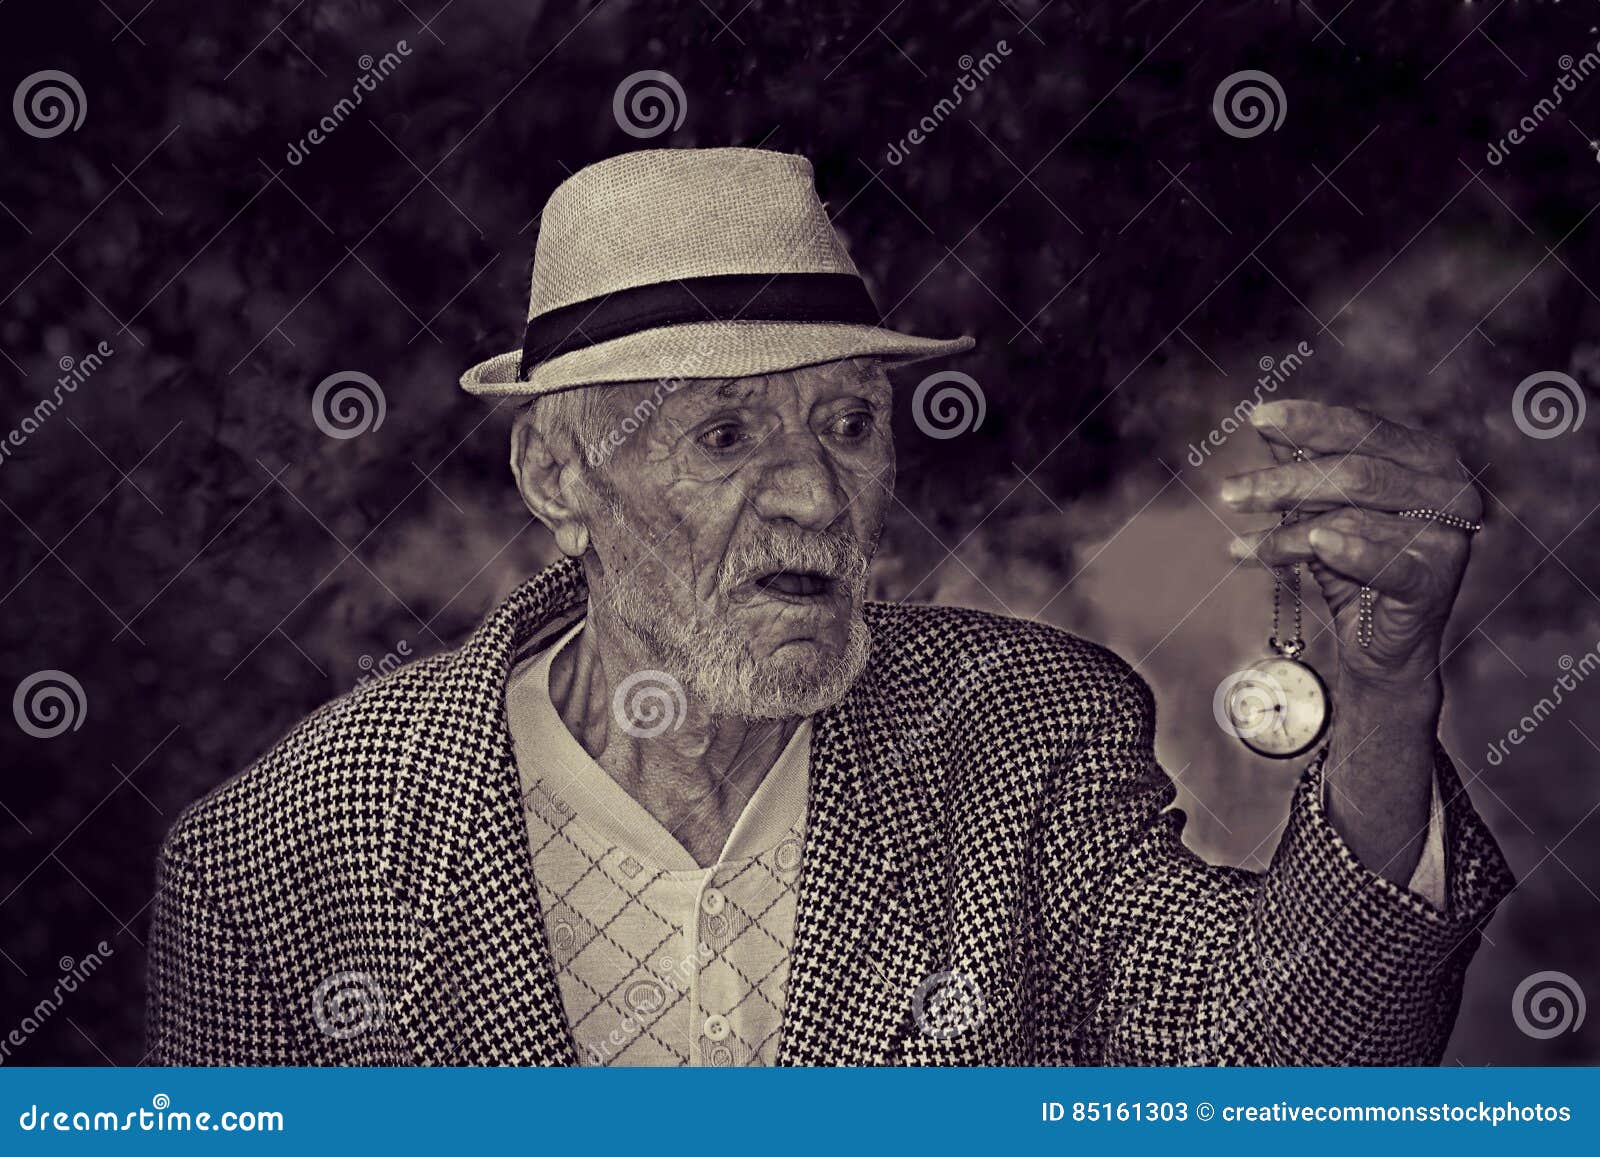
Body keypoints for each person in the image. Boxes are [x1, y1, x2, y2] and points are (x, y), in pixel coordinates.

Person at [147, 147, 1512, 1066]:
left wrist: (1386, 697)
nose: (817, 494)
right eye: (728, 437)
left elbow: (1271, 1064)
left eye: (851, 423)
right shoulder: (278, 858)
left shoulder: (1020, 733)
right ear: (560, 473)